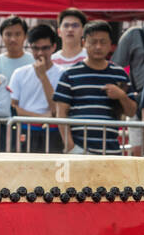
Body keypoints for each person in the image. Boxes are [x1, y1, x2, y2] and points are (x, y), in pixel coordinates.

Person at [53, 20, 136, 155]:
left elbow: (132, 112)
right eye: (93, 42)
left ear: (110, 44)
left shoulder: (120, 74)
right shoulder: (70, 74)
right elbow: (61, 113)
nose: (98, 47)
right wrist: (71, 147)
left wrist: (121, 95)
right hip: (79, 150)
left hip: (111, 150)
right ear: (84, 43)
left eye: (103, 42)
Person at [6, 23, 63, 153]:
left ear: (54, 47)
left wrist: (43, 77)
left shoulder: (63, 74)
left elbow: (56, 110)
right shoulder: (19, 73)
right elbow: (12, 107)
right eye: (35, 48)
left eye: (45, 48)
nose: (40, 53)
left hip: (53, 131)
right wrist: (40, 116)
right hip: (25, 130)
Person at [0, 15, 31, 81]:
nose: (13, 39)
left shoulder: (34, 61)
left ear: (25, 36)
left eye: (18, 34)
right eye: (8, 34)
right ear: (2, 36)